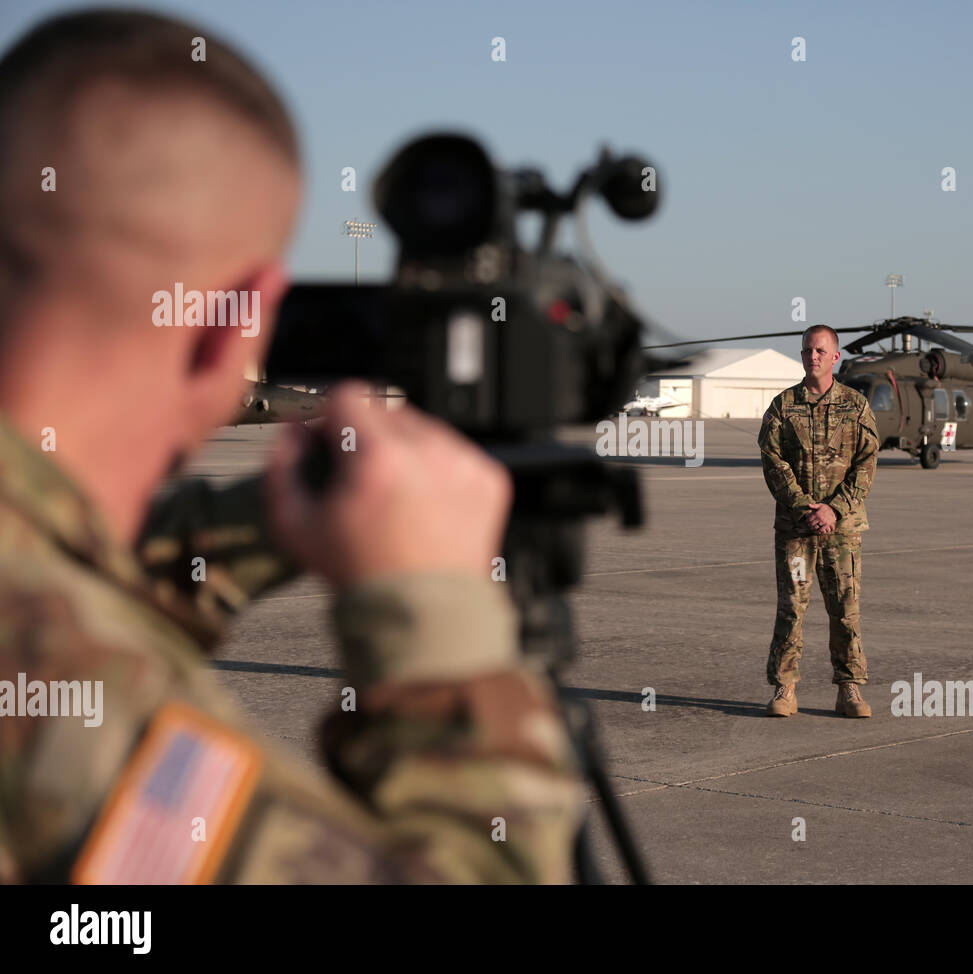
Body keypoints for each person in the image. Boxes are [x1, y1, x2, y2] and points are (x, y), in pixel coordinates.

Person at [0, 9, 579, 883]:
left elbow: (44, 564)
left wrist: (263, 521)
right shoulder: (71, 700)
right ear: (237, 325)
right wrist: (436, 627)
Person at [758, 324, 879, 718]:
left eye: (821, 350)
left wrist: (834, 509)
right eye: (808, 349)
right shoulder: (783, 405)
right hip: (796, 532)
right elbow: (773, 462)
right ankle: (784, 688)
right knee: (792, 606)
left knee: (845, 607)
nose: (813, 356)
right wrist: (805, 507)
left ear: (835, 357)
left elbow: (866, 463)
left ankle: (850, 689)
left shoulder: (856, 406)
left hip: (842, 533)